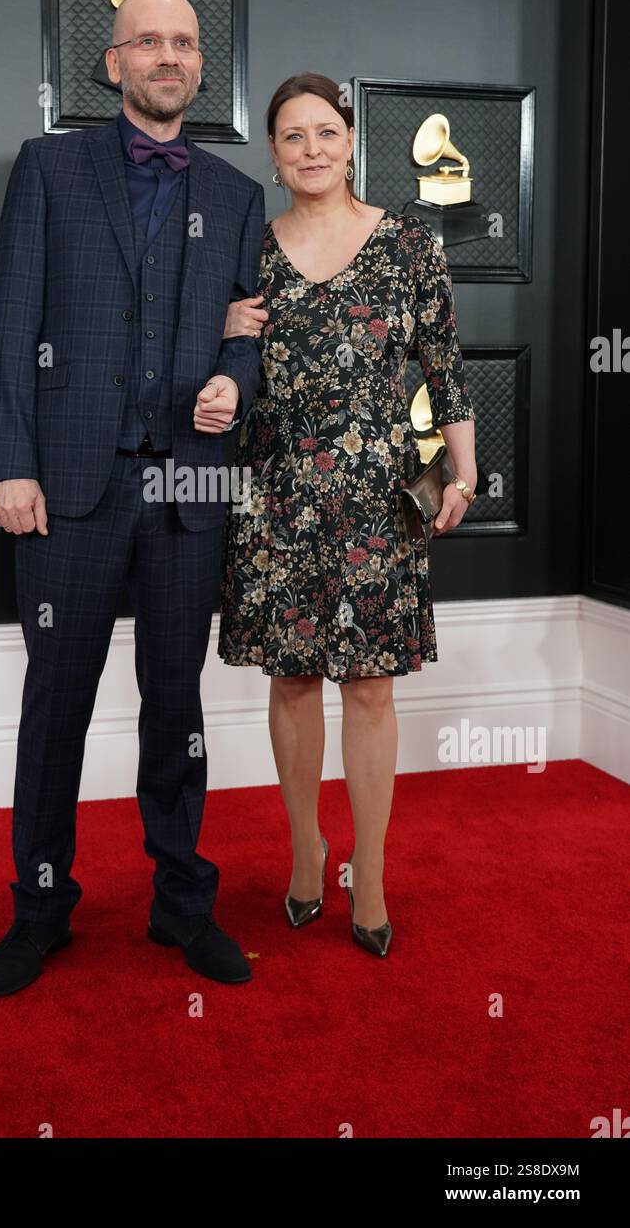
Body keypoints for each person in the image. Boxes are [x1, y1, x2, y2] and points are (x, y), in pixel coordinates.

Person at [0, 0, 265, 995]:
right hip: (67, 485)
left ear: (199, 65)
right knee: (56, 700)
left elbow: (245, 322)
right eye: (147, 40)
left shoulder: (235, 195)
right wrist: (8, 462)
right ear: (111, 62)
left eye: (184, 42)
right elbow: (13, 318)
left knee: (175, 701)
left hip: (189, 485)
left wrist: (237, 374)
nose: (167, 56)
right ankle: (41, 909)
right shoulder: (49, 168)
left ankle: (182, 906)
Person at [218, 72, 477, 957]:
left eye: (325, 132)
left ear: (351, 139)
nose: (312, 149)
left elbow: (445, 366)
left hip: (377, 494)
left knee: (369, 687)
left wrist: (463, 469)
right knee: (290, 681)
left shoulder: (408, 244)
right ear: (274, 152)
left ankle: (368, 871)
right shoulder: (248, 253)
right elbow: (227, 363)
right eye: (293, 137)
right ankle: (304, 853)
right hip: (280, 490)